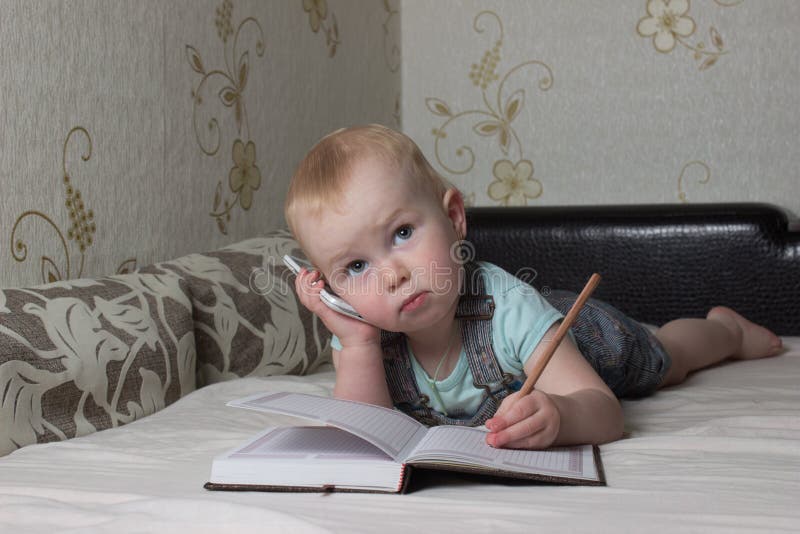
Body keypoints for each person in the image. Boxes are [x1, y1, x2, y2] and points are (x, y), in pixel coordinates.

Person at [284, 124, 783, 450]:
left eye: (402, 233)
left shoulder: (508, 306)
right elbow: (366, 433)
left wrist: (562, 415)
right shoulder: (364, 330)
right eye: (354, 267)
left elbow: (606, 413)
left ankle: (725, 330)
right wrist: (357, 345)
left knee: (664, 360)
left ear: (454, 218)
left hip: (583, 333)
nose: (392, 275)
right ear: (331, 288)